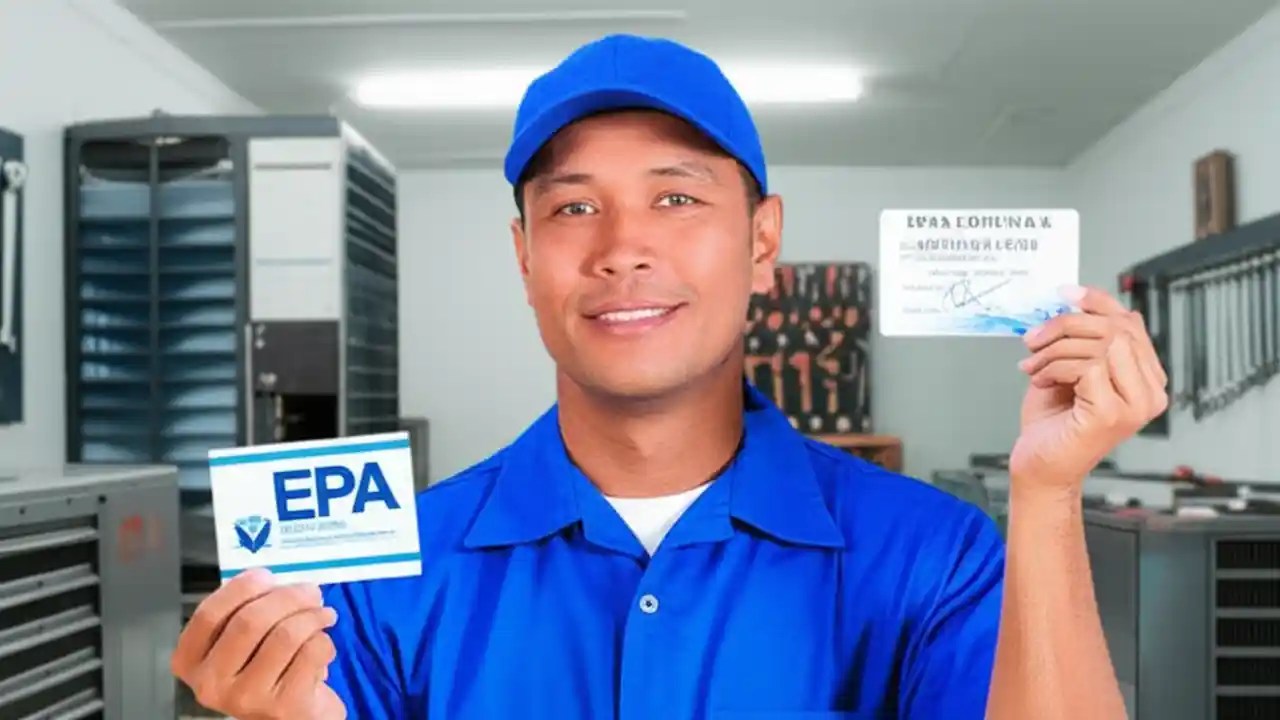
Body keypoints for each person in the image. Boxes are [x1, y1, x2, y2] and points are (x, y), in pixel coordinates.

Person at [172, 33, 1166, 720]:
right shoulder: (381, 578)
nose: (622, 249)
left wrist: (1047, 493)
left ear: (761, 241)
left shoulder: (929, 555)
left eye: (677, 197)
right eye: (571, 210)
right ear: (523, 257)